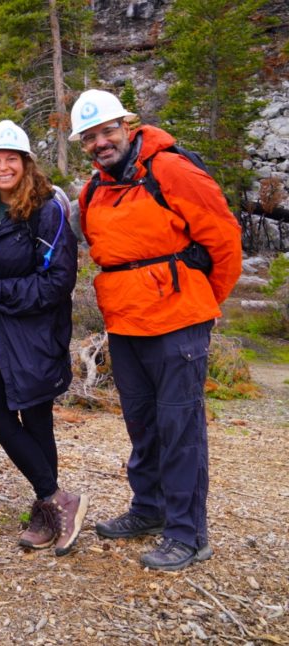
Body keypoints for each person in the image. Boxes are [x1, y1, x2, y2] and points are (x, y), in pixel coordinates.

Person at [70, 89, 242, 571]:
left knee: (180, 429)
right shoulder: (95, 187)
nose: (100, 142)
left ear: (126, 125)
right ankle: (149, 510)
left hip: (177, 324)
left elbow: (224, 240)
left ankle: (189, 535)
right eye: (90, 137)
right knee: (143, 425)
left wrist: (202, 301)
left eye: (106, 131)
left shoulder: (172, 170)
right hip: (125, 324)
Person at [0, 120, 85, 556]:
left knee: (36, 423)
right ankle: (56, 498)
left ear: (26, 163)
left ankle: (47, 507)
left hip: (32, 338)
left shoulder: (48, 210)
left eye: (11, 159)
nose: (3, 167)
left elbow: (57, 283)